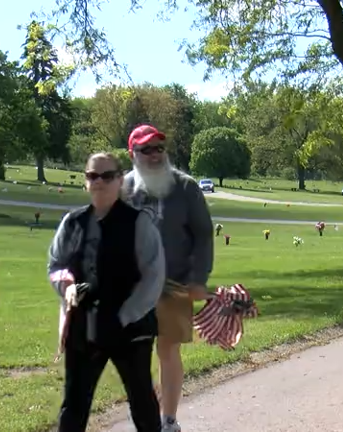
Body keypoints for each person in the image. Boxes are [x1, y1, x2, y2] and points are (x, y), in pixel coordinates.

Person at [48, 152, 166, 432]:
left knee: (142, 402)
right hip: (84, 327)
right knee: (74, 405)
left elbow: (153, 277)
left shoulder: (139, 223)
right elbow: (56, 264)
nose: (99, 181)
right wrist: (65, 285)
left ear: (119, 180)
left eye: (107, 175)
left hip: (130, 328)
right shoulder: (72, 222)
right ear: (86, 182)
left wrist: (125, 315)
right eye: (92, 175)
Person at [123, 125, 215, 432]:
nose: (154, 155)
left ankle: (169, 420)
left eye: (159, 148)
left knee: (167, 349)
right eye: (146, 150)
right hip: (131, 287)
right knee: (134, 354)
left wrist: (199, 277)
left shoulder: (185, 187)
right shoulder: (123, 189)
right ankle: (145, 413)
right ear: (132, 154)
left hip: (173, 284)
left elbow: (203, 236)